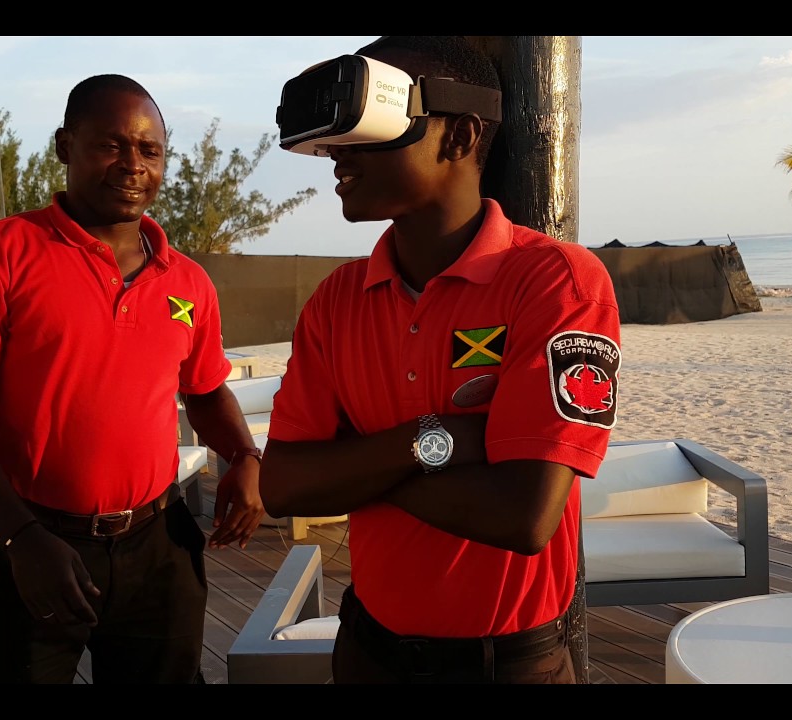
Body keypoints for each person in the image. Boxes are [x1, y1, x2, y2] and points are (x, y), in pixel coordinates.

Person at [260, 36, 621, 684]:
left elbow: (523, 515)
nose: (339, 157)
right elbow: (284, 487)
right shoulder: (335, 302)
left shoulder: (558, 283)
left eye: (366, 131)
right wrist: (434, 441)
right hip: (367, 648)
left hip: (507, 665)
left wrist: (356, 471)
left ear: (458, 136)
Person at [0, 73, 265, 684]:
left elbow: (206, 389)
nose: (132, 165)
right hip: (28, 542)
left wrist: (243, 454)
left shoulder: (187, 282)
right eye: (110, 144)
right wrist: (20, 538)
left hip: (159, 546)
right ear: (64, 146)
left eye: (149, 150)